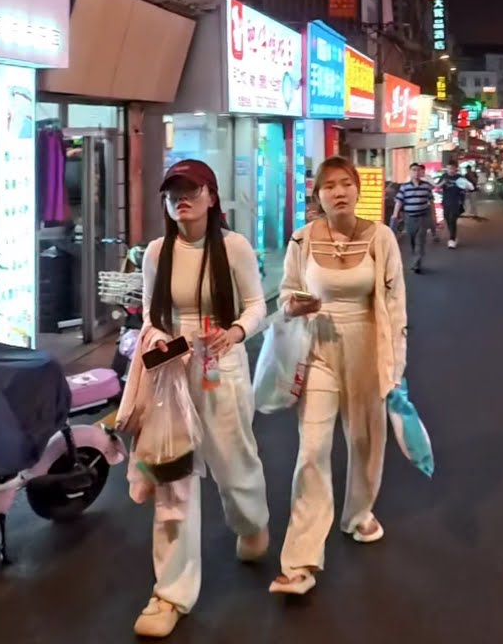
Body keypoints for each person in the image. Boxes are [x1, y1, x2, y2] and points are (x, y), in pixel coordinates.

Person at [126, 159, 270, 639]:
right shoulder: (155, 253)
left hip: (221, 366)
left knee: (235, 461)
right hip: (172, 372)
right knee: (174, 477)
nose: (180, 198)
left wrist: (236, 331)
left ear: (212, 196)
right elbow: (150, 310)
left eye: (191, 189)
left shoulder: (234, 248)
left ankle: (251, 522)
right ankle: (170, 592)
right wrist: (159, 340)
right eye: (172, 192)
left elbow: (256, 305)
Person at [269, 156, 408, 597]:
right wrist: (294, 306)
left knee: (366, 439)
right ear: (318, 196)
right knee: (312, 448)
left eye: (346, 183)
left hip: (368, 345)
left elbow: (395, 304)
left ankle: (358, 512)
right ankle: (300, 558)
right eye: (329, 186)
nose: (339, 192)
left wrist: (395, 366)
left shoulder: (381, 237)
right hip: (318, 347)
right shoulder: (302, 239)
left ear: (358, 190)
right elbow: (286, 294)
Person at [392, 163, 436, 273]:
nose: (416, 172)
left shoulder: (426, 186)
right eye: (414, 170)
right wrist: (394, 215)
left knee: (420, 242)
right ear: (410, 172)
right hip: (409, 218)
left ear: (421, 172)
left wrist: (433, 216)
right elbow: (399, 202)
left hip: (423, 218)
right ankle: (415, 258)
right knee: (411, 240)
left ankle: (417, 263)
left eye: (418, 170)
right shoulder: (405, 187)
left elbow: (431, 202)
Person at [440, 162, 474, 249]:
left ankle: (452, 239)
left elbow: (470, 187)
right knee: (447, 219)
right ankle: (453, 236)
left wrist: (466, 188)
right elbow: (438, 186)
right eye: (448, 168)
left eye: (452, 168)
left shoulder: (460, 177)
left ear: (456, 169)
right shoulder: (444, 176)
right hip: (446, 201)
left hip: (456, 202)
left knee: (452, 219)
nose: (450, 170)